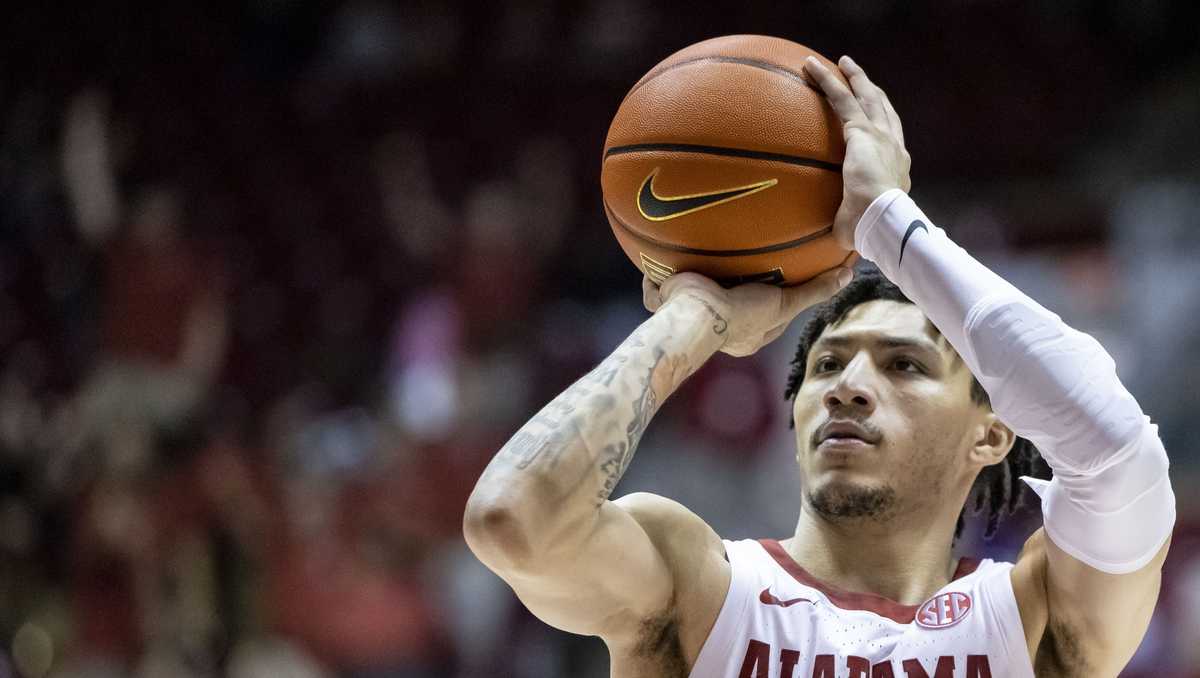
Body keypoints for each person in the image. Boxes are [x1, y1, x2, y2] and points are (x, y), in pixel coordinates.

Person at [463, 55, 1175, 677]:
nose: (848, 387)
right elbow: (512, 517)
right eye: (827, 364)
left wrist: (890, 225)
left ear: (991, 433)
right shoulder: (697, 586)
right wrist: (695, 313)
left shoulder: (1035, 617)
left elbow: (1118, 451)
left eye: (904, 366)